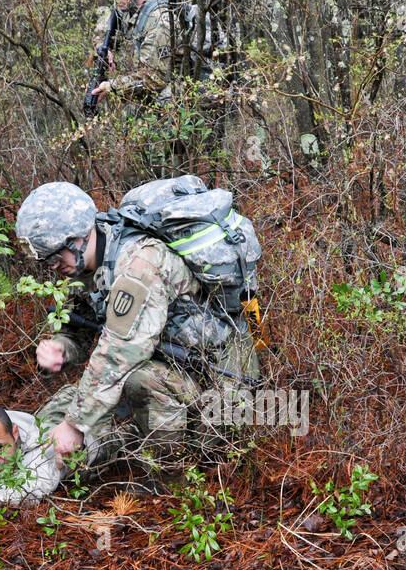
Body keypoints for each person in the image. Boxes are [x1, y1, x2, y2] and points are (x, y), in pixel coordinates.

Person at [14, 180, 258, 494]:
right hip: (167, 371)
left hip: (221, 387)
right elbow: (80, 327)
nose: (52, 266)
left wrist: (75, 426)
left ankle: (170, 484)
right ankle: (122, 441)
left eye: (53, 257)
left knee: (137, 384)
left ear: (76, 237)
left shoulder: (139, 264)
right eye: (45, 261)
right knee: (60, 416)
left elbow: (119, 352)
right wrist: (61, 347)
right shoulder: (87, 262)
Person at [87, 0, 182, 107]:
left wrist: (112, 86)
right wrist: (104, 50)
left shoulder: (159, 20)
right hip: (143, 87)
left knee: (162, 102)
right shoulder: (127, 11)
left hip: (176, 93)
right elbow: (100, 34)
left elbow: (154, 79)